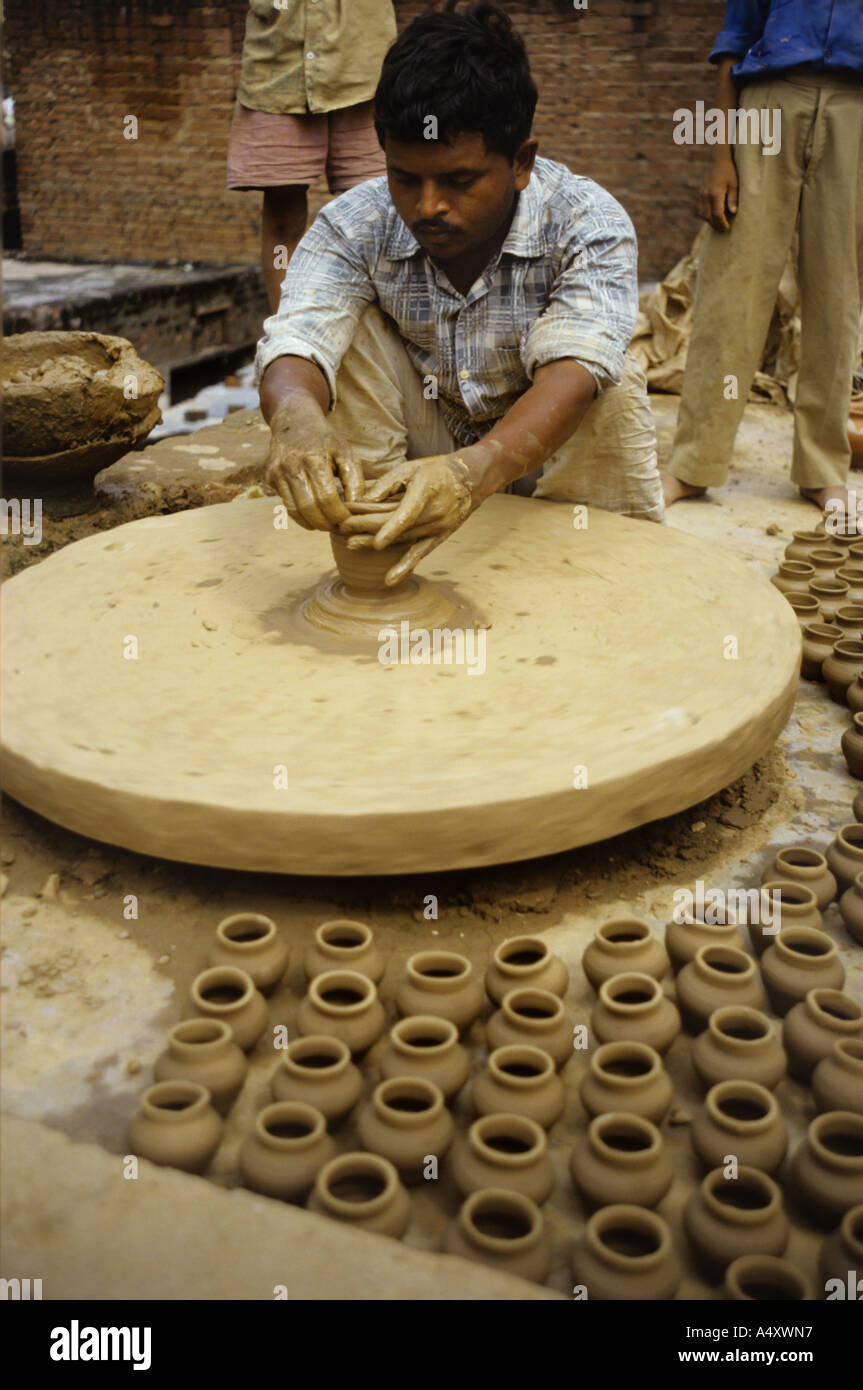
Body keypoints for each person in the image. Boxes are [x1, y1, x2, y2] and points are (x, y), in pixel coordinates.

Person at [256, 0, 665, 587]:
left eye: (458, 180)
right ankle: (372, 537)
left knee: (610, 373)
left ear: (521, 162)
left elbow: (574, 369)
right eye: (405, 178)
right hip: (429, 436)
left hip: (549, 449)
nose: (427, 207)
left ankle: (611, 572)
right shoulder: (354, 223)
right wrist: (295, 420)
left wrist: (474, 472)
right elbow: (298, 333)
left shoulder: (587, 222)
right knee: (337, 346)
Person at [661, 0, 863, 515]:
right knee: (733, 289)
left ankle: (822, 469)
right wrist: (720, 153)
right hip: (766, 105)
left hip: (856, 112)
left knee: (837, 299)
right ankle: (693, 462)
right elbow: (734, 43)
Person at [227, 0, 397, 312]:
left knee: (374, 213)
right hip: (277, 58)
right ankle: (287, 334)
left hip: (363, 56)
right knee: (283, 211)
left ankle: (371, 338)